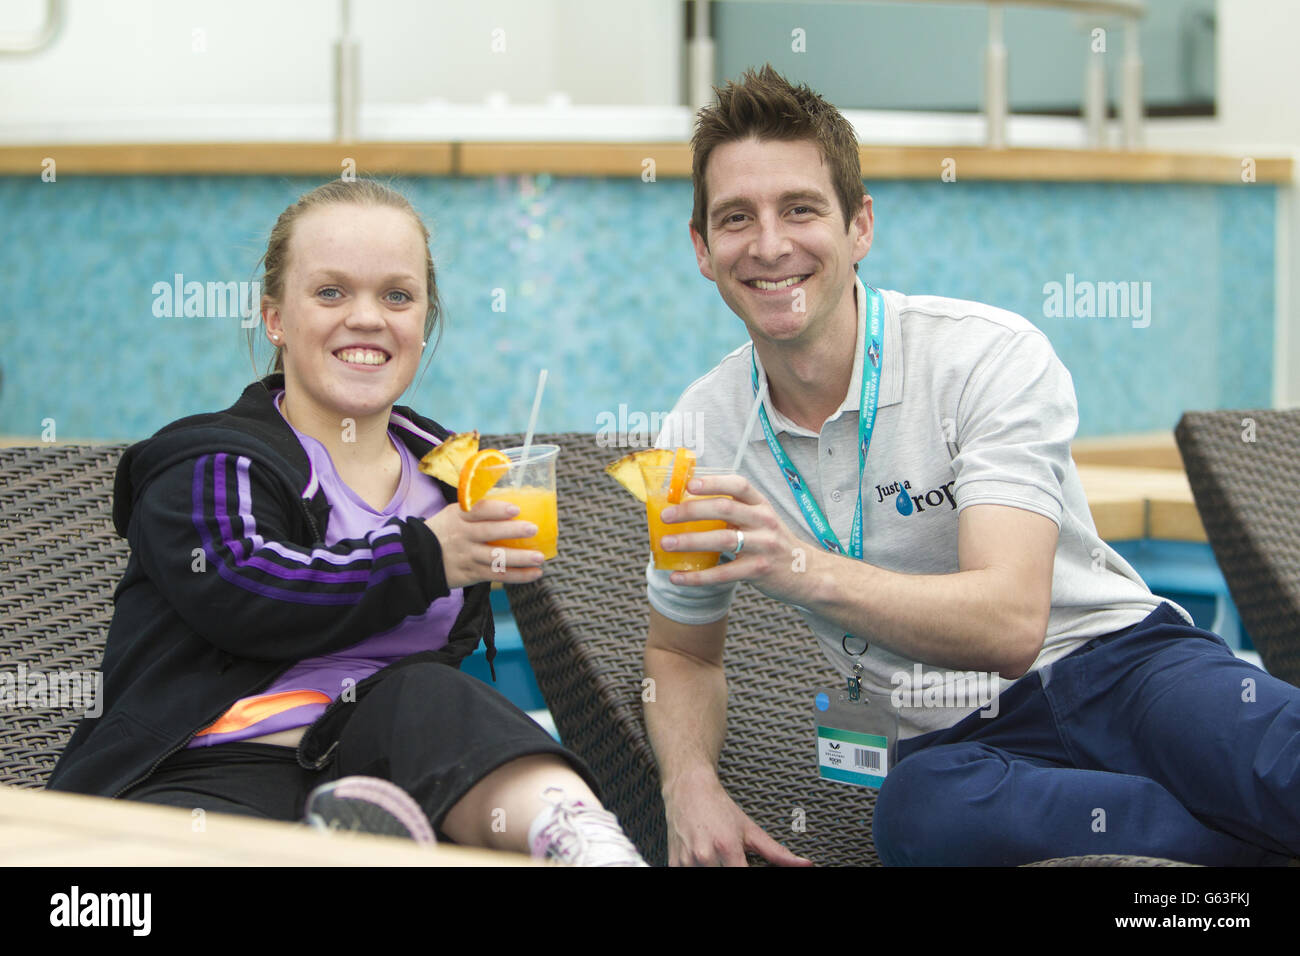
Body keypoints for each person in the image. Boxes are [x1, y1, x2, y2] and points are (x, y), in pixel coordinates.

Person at [643, 65, 1300, 867]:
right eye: (737, 218)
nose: (770, 244)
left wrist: (801, 568)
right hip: (956, 738)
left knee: (1275, 754)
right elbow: (681, 652)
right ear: (702, 250)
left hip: (1124, 670)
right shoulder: (699, 432)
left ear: (860, 227)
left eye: (801, 209)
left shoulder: (983, 356)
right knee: (919, 821)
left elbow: (1011, 626)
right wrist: (688, 783)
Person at [47, 178, 645, 866]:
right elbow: (247, 589)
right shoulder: (208, 463)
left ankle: (584, 843)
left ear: (424, 320)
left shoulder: (453, 470)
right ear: (274, 317)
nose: (367, 317)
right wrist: (427, 556)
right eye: (331, 292)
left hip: (395, 773)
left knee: (432, 693)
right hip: (211, 776)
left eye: (397, 295)